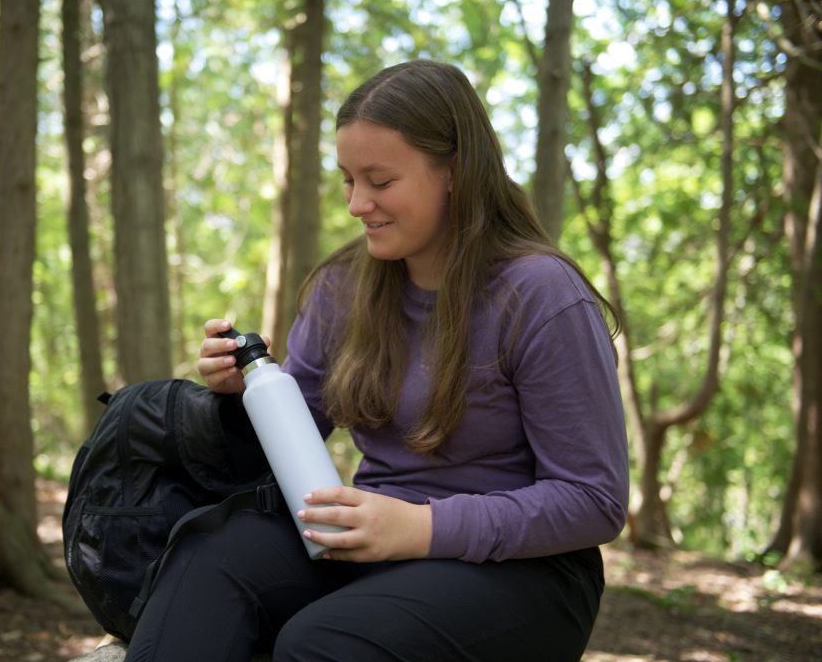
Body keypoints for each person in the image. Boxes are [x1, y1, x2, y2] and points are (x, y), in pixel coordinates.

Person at [125, 59, 629, 662]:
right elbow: (294, 433)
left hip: (528, 571)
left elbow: (593, 501)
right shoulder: (343, 285)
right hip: (374, 539)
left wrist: (420, 528)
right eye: (347, 180)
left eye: (380, 181)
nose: (357, 204)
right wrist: (239, 395)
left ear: (455, 172)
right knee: (203, 561)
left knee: (322, 643)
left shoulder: (541, 294)